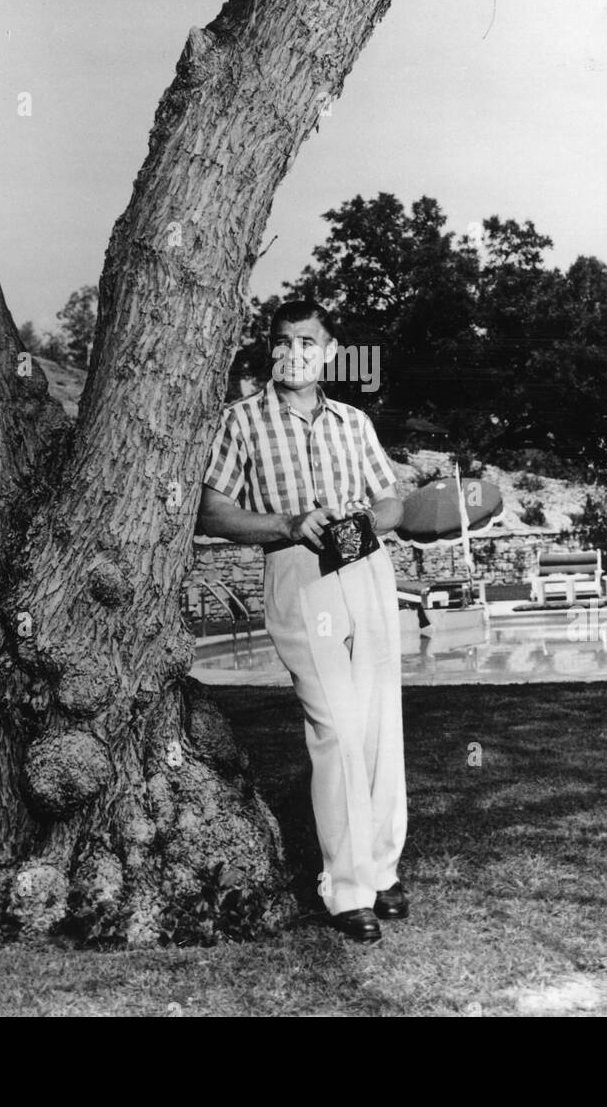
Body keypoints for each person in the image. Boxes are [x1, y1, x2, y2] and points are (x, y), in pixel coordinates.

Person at [198, 300, 408, 943]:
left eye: (308, 341)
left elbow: (391, 498)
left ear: (330, 350)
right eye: (284, 341)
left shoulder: (353, 421)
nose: (295, 352)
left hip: (365, 569)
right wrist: (288, 524)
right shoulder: (240, 422)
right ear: (271, 348)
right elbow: (211, 512)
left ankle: (381, 867)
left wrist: (367, 522)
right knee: (337, 728)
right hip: (297, 572)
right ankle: (345, 890)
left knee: (377, 725)